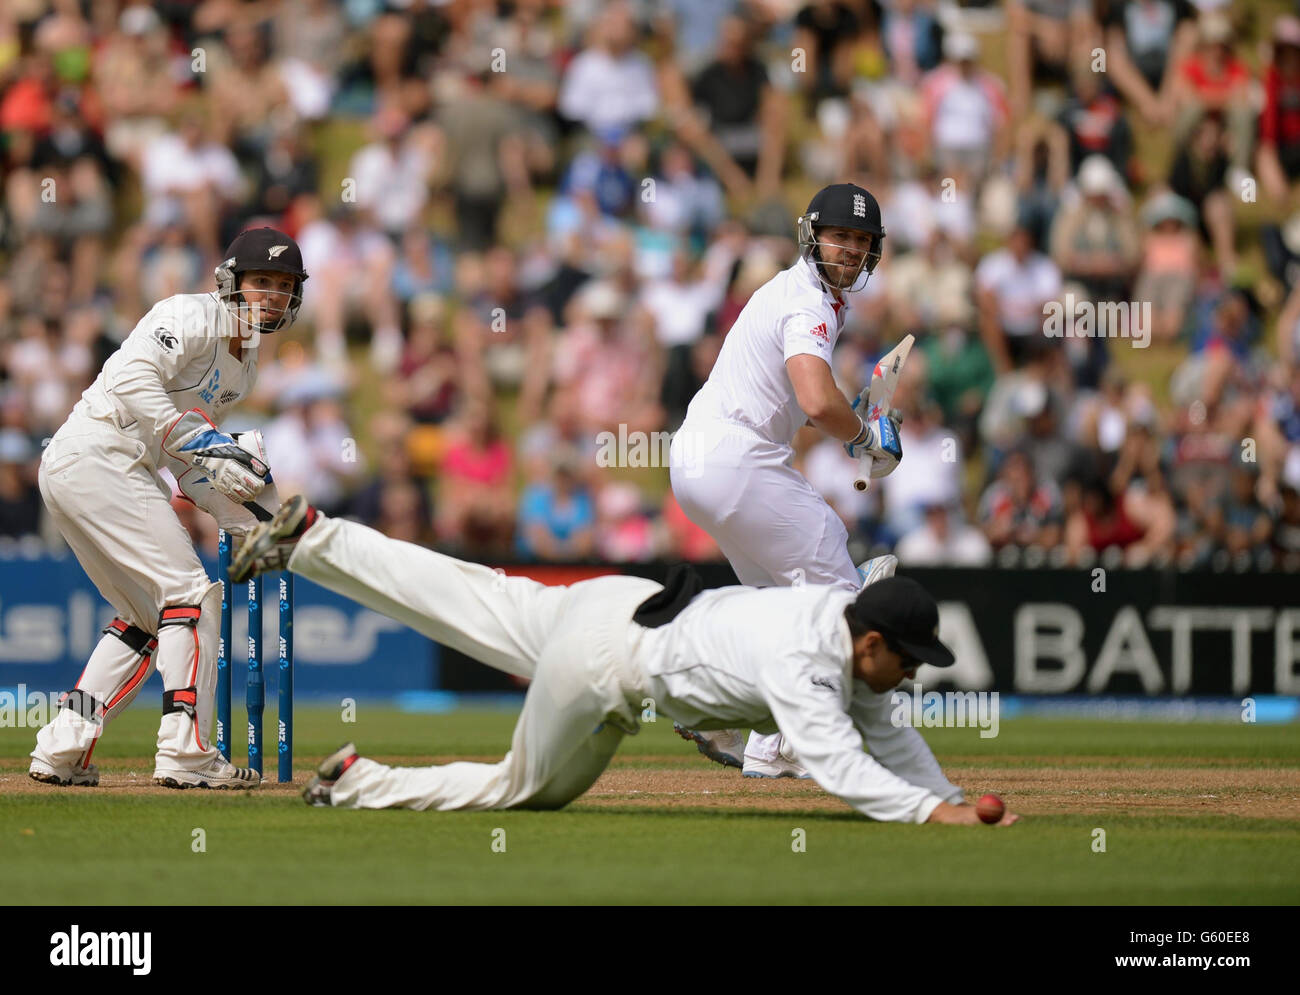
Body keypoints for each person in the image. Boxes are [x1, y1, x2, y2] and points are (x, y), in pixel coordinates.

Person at [230, 496, 1019, 827]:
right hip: (611, 662)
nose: (915, 675)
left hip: (619, 601)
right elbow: (841, 762)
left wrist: (947, 793)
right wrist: (931, 812)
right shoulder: (807, 660)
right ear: (873, 643)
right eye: (910, 660)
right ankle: (358, 785)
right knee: (521, 789)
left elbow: (889, 736)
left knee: (465, 591)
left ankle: (314, 539)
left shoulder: (840, 623)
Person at [28, 228, 309, 790]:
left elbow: (184, 464)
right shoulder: (190, 315)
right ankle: (185, 750)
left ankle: (62, 746)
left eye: (284, 286)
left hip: (108, 469)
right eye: (261, 282)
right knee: (188, 593)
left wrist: (240, 512)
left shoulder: (245, 367)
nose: (272, 296)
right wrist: (202, 443)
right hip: (98, 453)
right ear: (231, 283)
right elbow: (134, 380)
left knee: (147, 619)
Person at [667, 182, 902, 778]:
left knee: (783, 610)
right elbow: (816, 400)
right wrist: (866, 440)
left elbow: (810, 400)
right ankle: (726, 706)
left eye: (860, 240)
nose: (848, 249)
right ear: (811, 235)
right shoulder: (808, 300)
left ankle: (763, 743)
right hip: (736, 457)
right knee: (835, 588)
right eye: (838, 236)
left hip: (701, 460)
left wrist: (855, 418)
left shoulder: (799, 294)